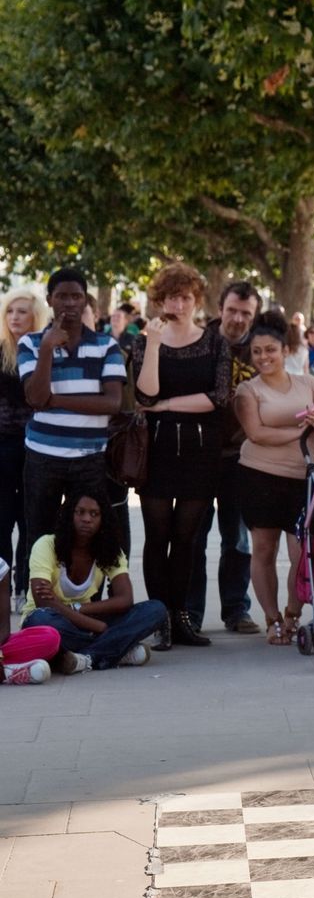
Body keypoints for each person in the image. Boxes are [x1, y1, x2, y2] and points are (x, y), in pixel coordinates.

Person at [130, 262, 231, 651]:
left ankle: (181, 616)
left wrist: (169, 403)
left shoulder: (214, 341)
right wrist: (154, 344)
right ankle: (160, 618)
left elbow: (218, 398)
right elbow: (146, 396)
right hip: (156, 449)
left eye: (186, 296)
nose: (179, 303)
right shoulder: (144, 341)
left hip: (200, 449)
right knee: (157, 536)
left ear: (197, 299)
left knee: (188, 538)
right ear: (160, 300)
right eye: (172, 296)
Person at [235, 312, 314, 644]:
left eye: (270, 350)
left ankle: (293, 612)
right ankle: (272, 618)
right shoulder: (247, 391)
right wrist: (302, 430)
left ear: (285, 350)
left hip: (302, 477)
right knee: (263, 549)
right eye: (257, 351)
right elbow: (257, 433)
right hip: (259, 476)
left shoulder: (310, 384)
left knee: (301, 553)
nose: (264, 357)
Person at [18, 269, 124, 548]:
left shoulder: (107, 346)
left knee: (88, 537)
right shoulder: (30, 344)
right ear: (50, 299)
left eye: (76, 296)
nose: (69, 303)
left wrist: (55, 401)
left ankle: (85, 593)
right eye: (62, 296)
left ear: (85, 301)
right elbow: (35, 396)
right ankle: (37, 592)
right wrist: (46, 350)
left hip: (89, 458)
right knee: (40, 537)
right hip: (43, 457)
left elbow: (112, 403)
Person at [186, 281, 263, 636]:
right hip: (198, 455)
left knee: (237, 538)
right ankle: (190, 614)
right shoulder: (198, 344)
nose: (238, 318)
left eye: (246, 313)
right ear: (220, 308)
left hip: (241, 458)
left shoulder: (261, 351)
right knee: (192, 537)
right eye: (232, 310)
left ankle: (236, 609)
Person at [21, 491, 166, 674]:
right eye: (80, 512)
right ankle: (117, 651)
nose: (86, 519)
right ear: (69, 515)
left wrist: (78, 608)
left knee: (156, 610)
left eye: (94, 514)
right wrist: (98, 627)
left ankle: (86, 658)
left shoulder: (111, 550)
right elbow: (43, 602)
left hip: (84, 618)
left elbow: (125, 599)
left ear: (103, 519)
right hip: (52, 620)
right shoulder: (46, 545)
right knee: (40, 620)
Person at [2, 286, 46, 614]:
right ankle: (4, 592)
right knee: (1, 523)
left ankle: (24, 588)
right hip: (1, 447)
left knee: (30, 521)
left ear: (35, 317)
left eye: (22, 311)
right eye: (10, 311)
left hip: (35, 445)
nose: (15, 317)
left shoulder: (42, 351)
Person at [1, 556, 58, 684]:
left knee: (50, 637)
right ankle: (8, 673)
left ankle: (6, 668)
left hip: (2, 647)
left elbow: (3, 628)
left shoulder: (1, 567)